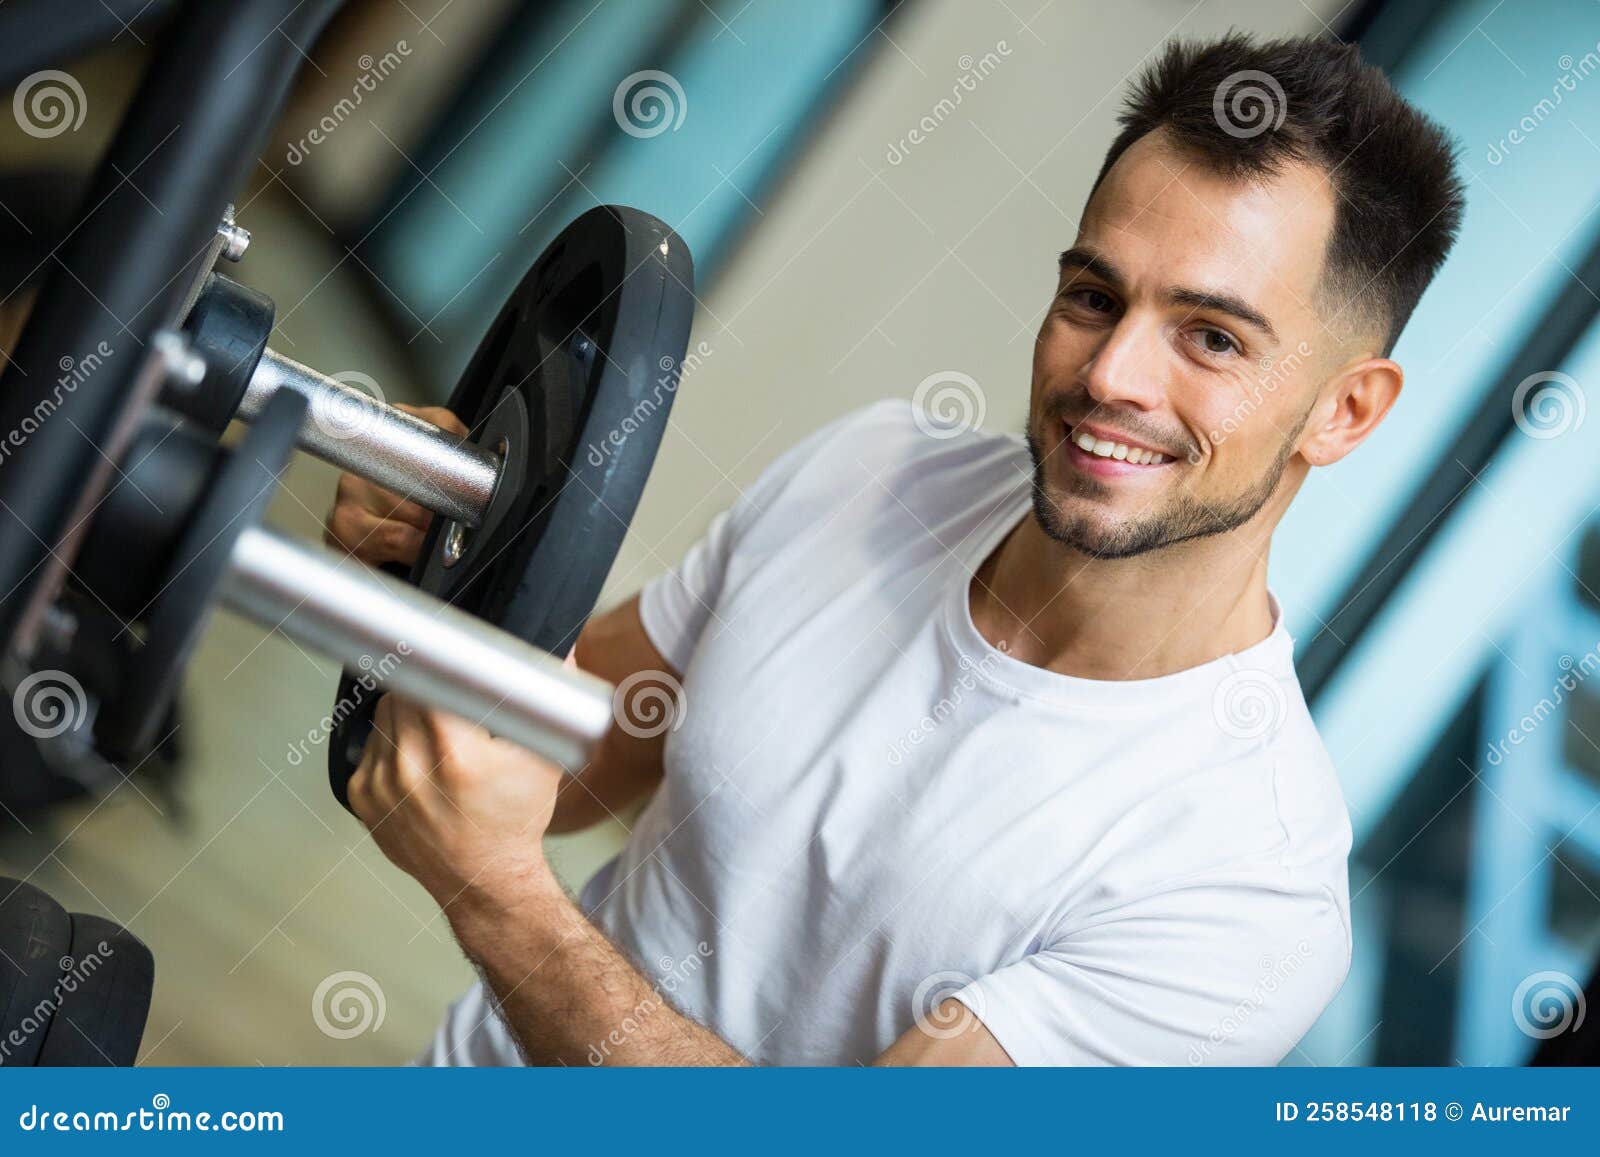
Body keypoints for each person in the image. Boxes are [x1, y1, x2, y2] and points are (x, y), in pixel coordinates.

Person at [323, 32, 1464, 1065]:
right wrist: (438, 565)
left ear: (1345, 411)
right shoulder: (873, 472)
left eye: (1210, 336)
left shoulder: (1243, 890)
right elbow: (578, 761)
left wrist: (500, 900)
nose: (1111, 376)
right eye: (1091, 295)